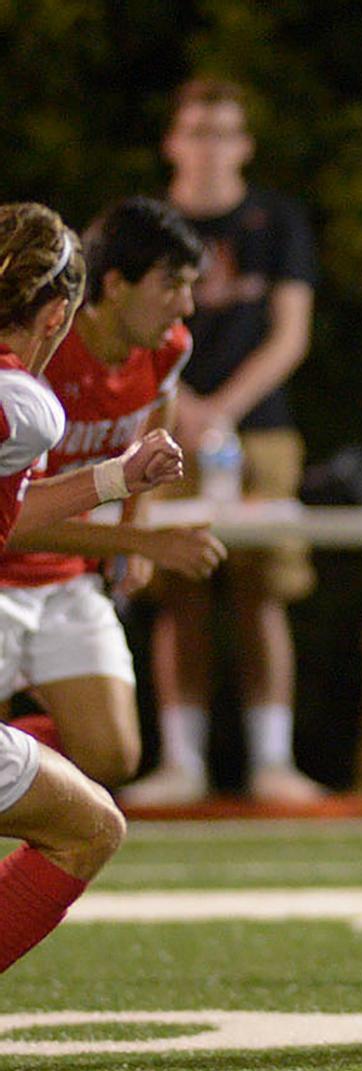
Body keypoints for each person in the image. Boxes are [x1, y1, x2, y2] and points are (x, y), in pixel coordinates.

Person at [122, 76, 324, 806]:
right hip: (160, 429)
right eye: (196, 131)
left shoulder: (278, 222)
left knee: (262, 590)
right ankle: (182, 762)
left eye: (223, 132)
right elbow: (116, 333)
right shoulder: (139, 228)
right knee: (179, 590)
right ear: (173, 141)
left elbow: (290, 333)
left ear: (244, 144)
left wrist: (223, 410)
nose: (209, 147)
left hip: (260, 431)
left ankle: (274, 760)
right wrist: (181, 407)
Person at [0, 202, 184, 975]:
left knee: (108, 753)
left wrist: (115, 480)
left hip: (65, 585)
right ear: (52, 314)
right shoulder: (26, 404)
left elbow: (12, 513)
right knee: (89, 827)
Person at [1, 197, 228, 788]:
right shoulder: (40, 359)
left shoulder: (167, 348)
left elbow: (158, 419)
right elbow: (15, 516)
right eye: (171, 284)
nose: (186, 305)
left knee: (109, 758)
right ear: (115, 284)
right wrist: (143, 540)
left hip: (67, 575)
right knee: (82, 815)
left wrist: (131, 529)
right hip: (4, 568)